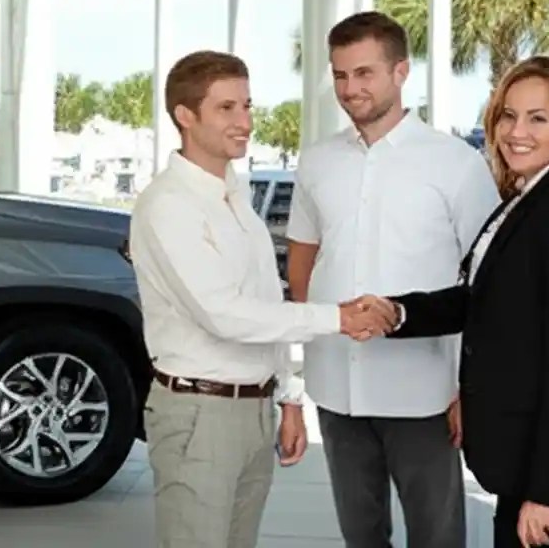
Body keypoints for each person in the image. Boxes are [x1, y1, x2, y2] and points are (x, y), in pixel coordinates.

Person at [353, 55, 549, 547]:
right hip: (527, 455)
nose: (515, 131)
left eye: (538, 118)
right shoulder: (531, 197)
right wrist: (398, 312)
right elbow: (486, 303)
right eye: (508, 115)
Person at [129, 49, 398, 548]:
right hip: (198, 412)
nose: (245, 121)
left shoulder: (234, 196)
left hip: (252, 411)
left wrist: (287, 396)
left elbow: (265, 308)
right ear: (185, 117)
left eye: (247, 106)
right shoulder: (167, 206)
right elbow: (224, 315)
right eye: (226, 108)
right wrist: (337, 319)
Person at [285, 11, 501, 548]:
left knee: (437, 536)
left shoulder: (457, 163)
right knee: (361, 535)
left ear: (401, 72)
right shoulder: (316, 162)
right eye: (339, 75)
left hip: (424, 390)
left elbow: (488, 286)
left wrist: (467, 388)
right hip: (337, 386)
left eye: (364, 73)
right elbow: (303, 259)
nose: (350, 88)